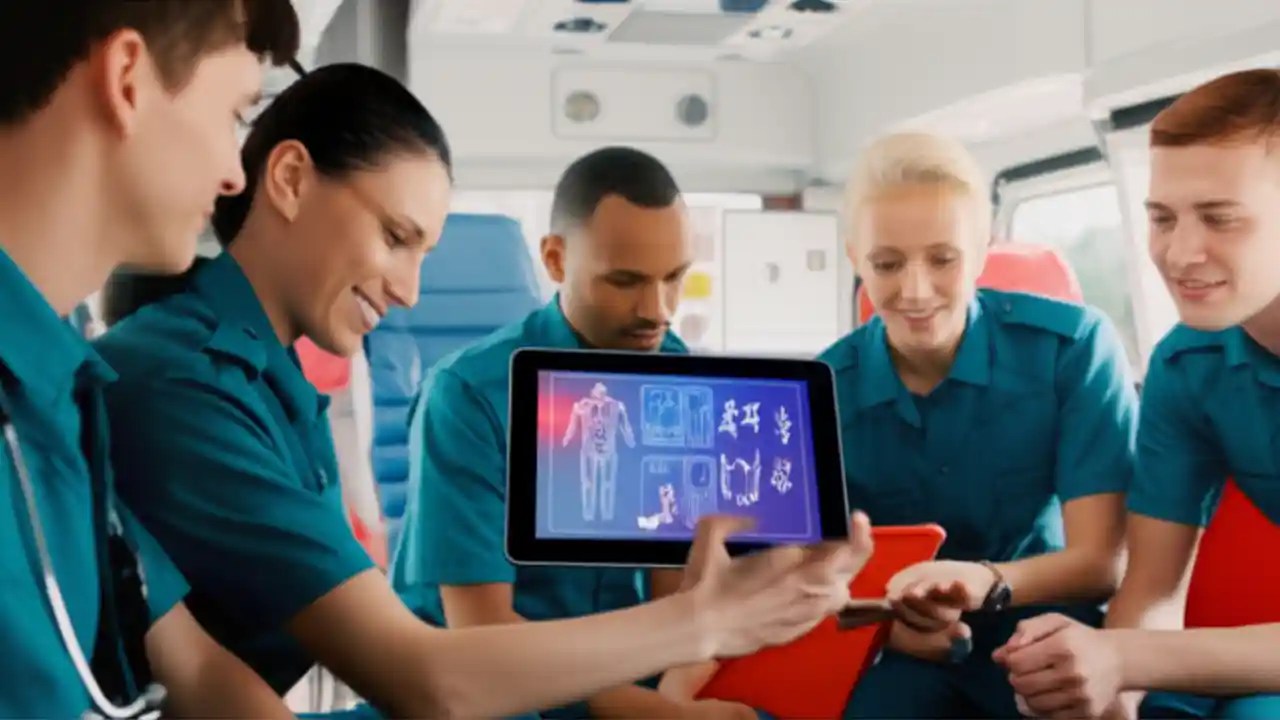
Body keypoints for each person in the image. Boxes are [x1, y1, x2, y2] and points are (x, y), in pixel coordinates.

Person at [93, 63, 875, 720]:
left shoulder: (275, 386)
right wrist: (705, 623)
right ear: (291, 180)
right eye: (395, 238)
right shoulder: (192, 382)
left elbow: (207, 672)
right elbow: (430, 678)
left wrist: (705, 641)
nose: (409, 291)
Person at [0, 2, 301, 717]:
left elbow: (187, 658)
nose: (234, 175)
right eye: (233, 116)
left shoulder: (62, 378)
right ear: (128, 79)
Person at [388, 146, 760, 719]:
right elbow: (482, 637)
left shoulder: (674, 369)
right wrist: (659, 715)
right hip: (487, 691)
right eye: (626, 281)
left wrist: (678, 692)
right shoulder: (468, 397)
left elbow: (677, 592)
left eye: (674, 278)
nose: (657, 310)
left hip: (623, 676)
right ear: (556, 260)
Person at [814, 131, 1135, 718]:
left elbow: (1101, 563)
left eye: (943, 259)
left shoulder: (1072, 349)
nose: (915, 291)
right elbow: (804, 578)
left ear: (983, 251)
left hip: (1045, 621)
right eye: (887, 264)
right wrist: (886, 631)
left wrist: (986, 581)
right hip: (900, 644)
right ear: (855, 257)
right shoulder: (819, 391)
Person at [994, 68, 1280, 720]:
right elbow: (1152, 591)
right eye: (1162, 218)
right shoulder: (1188, 364)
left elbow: (1134, 649)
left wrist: (1124, 659)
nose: (1179, 253)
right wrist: (1102, 692)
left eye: (1220, 218)